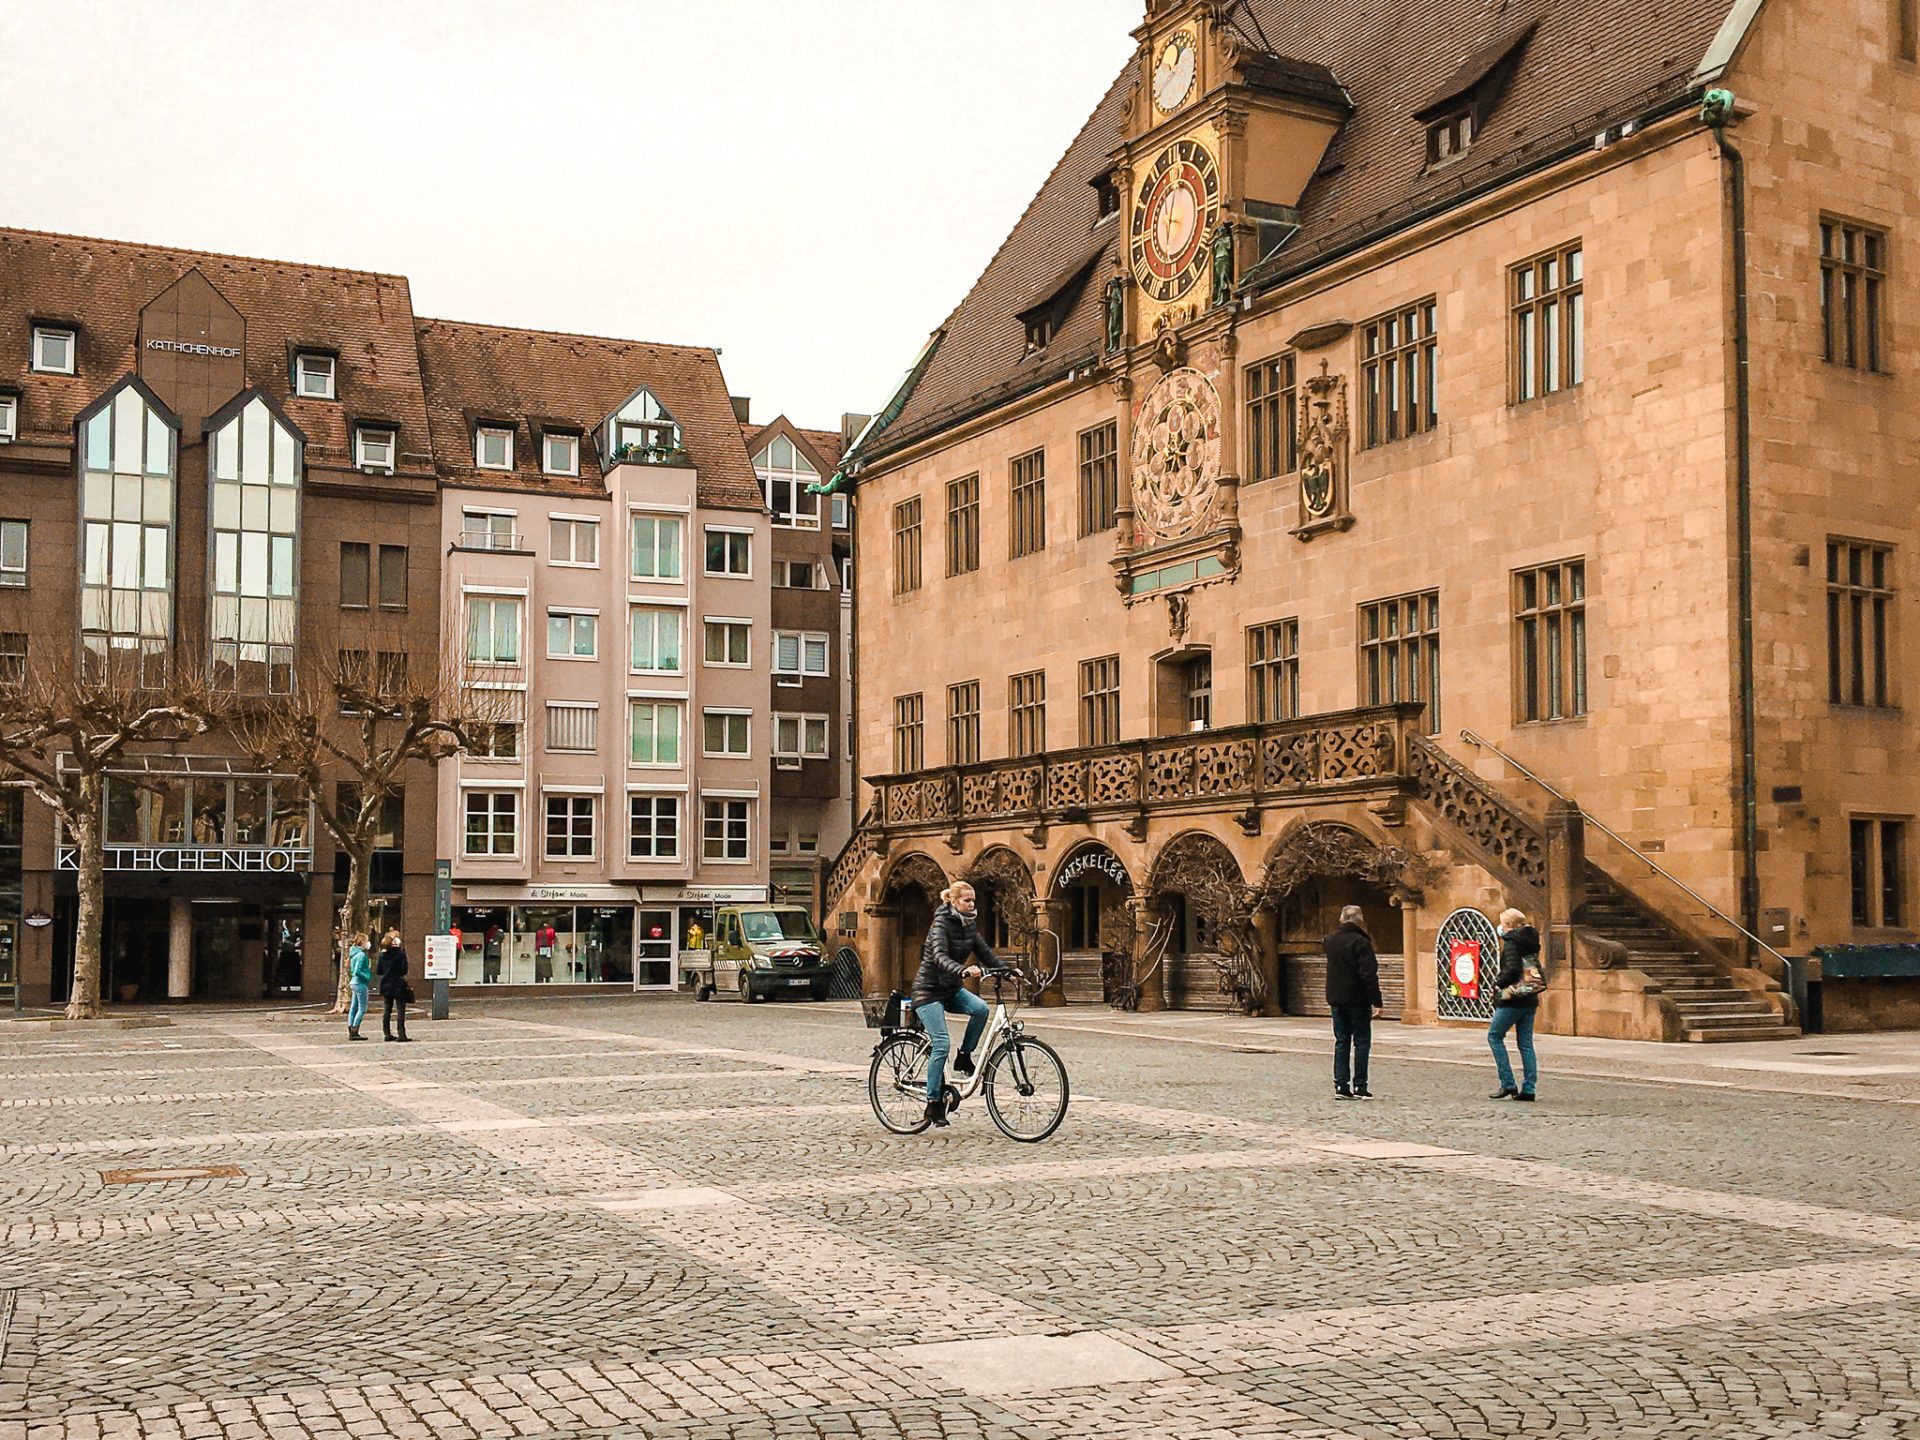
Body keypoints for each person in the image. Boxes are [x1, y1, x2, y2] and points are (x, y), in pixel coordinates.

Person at [910, 881, 998, 1128]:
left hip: (950, 989)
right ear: (953, 901)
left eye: (973, 900)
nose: (972, 904)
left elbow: (986, 952)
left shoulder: (969, 925)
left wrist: (1009, 971)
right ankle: (933, 1102)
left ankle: (964, 1057)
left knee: (981, 1009)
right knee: (941, 1043)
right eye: (966, 900)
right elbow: (938, 956)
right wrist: (962, 970)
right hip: (928, 991)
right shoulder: (940, 923)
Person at [1323, 903, 1383, 1100]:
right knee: (1361, 1042)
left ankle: (1341, 1085)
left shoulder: (1329, 940)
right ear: (1360, 920)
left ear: (1341, 919)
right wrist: (1377, 1001)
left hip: (1337, 999)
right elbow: (1368, 974)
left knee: (1341, 1041)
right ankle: (1360, 1086)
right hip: (1358, 1000)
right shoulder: (1361, 942)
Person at [1488, 907, 1542, 1101]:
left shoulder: (1512, 942)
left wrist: (1497, 983)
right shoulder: (1531, 940)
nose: (1500, 927)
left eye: (1503, 923)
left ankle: (1508, 1083)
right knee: (1526, 1044)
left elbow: (1511, 970)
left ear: (1509, 926)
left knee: (1494, 1036)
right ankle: (1529, 1088)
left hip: (1513, 998)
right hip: (1530, 998)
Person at [376, 929, 412, 1043]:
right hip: (398, 984)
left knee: (387, 1009)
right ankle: (401, 1033)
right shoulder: (400, 953)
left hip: (386, 984)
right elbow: (404, 970)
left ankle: (387, 1033)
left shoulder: (382, 955)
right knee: (400, 1009)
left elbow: (379, 971)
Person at [345, 932, 372, 1041]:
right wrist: (367, 976)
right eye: (366, 941)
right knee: (362, 1008)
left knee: (353, 1007)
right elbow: (357, 971)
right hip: (360, 983)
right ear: (362, 942)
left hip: (353, 982)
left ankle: (351, 1028)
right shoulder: (361, 955)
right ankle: (355, 1030)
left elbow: (352, 970)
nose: (368, 943)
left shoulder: (354, 953)